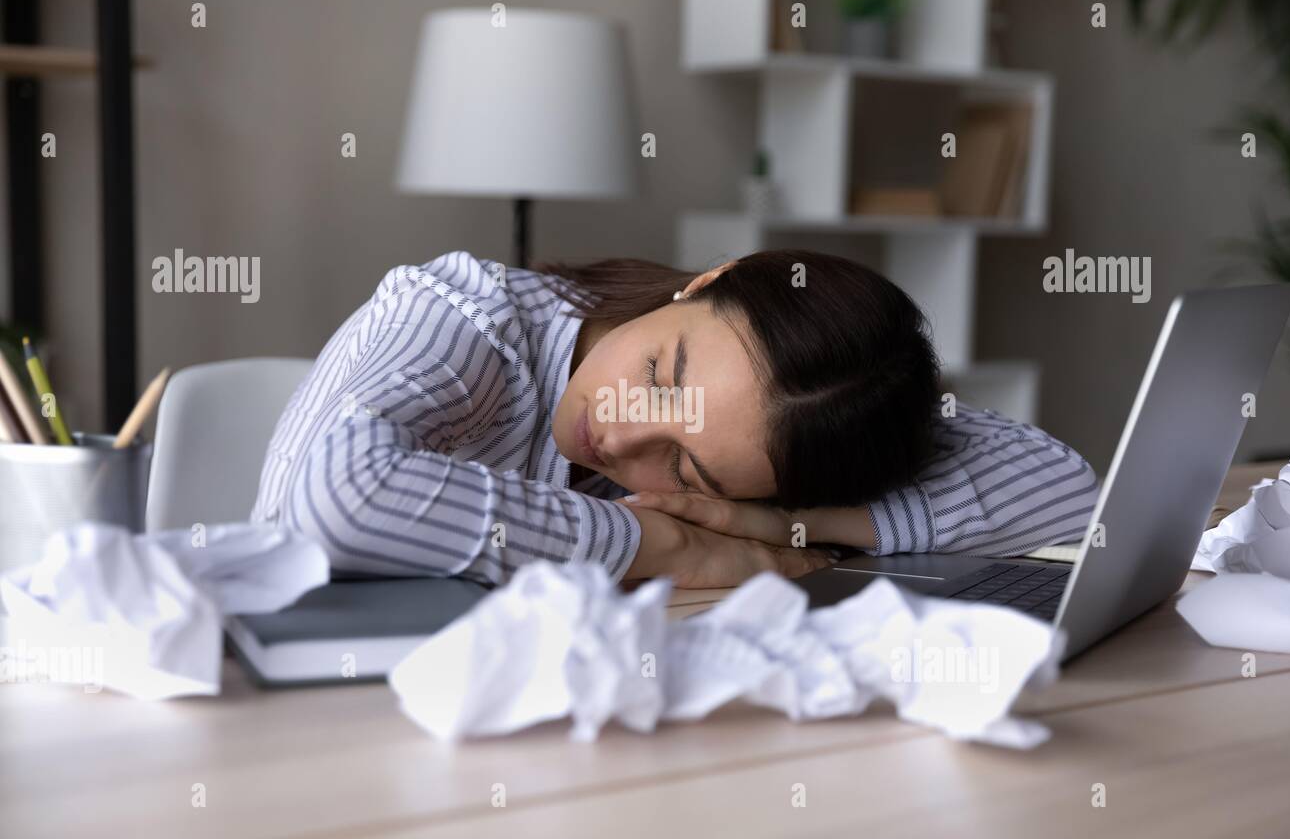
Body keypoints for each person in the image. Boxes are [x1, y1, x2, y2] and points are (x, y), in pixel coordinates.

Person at [251, 249, 1098, 588]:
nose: (618, 435)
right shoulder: (464, 317)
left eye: (687, 470)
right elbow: (338, 502)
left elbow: (1068, 491)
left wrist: (782, 522)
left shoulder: (755, 477)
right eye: (661, 376)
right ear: (706, 279)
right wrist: (675, 543)